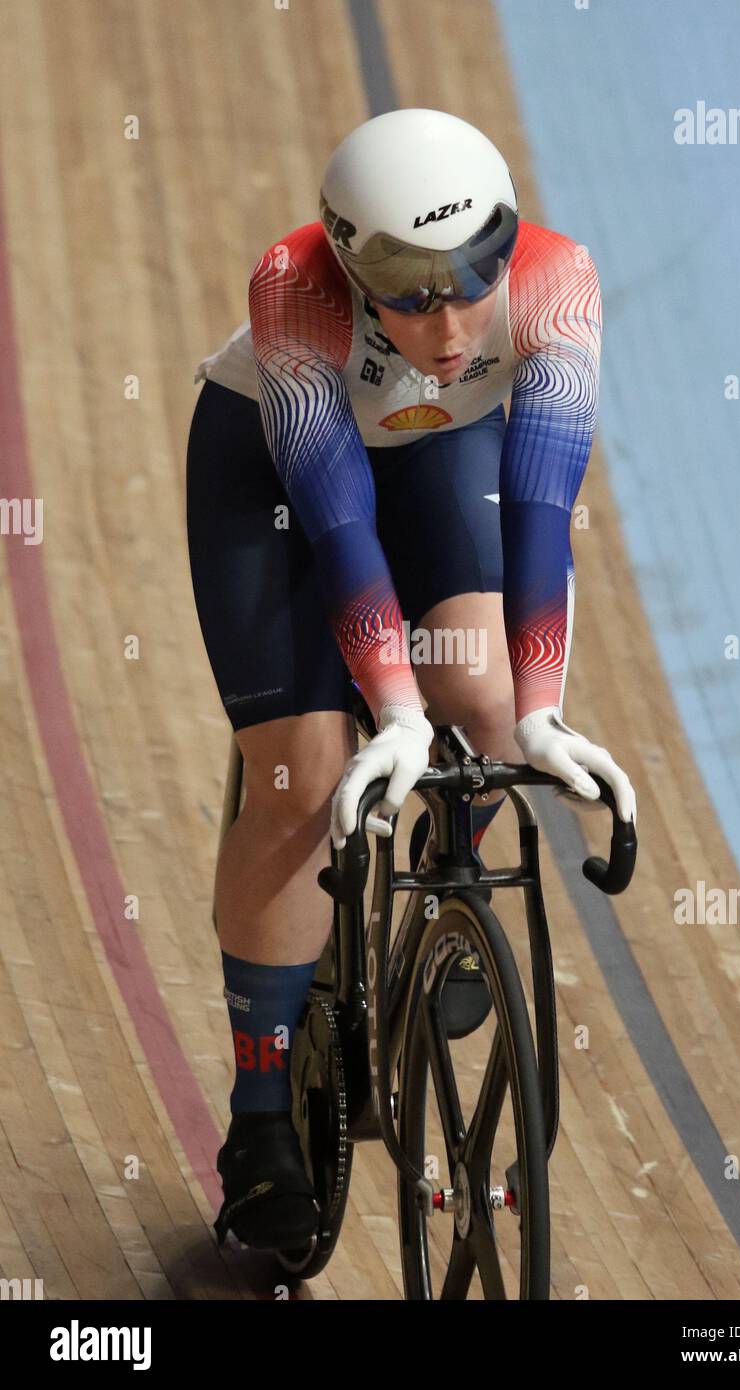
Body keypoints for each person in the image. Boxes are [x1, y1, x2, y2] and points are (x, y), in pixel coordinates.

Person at [186, 108, 636, 1253]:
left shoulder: (557, 283)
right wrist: (391, 712)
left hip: (438, 456)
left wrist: (539, 712)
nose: (447, 325)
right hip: (274, 479)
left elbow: (540, 505)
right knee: (303, 779)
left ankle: (446, 886)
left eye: (472, 282)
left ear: (507, 244)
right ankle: (258, 1121)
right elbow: (338, 525)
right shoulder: (293, 288)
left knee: (486, 706)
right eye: (409, 296)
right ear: (349, 269)